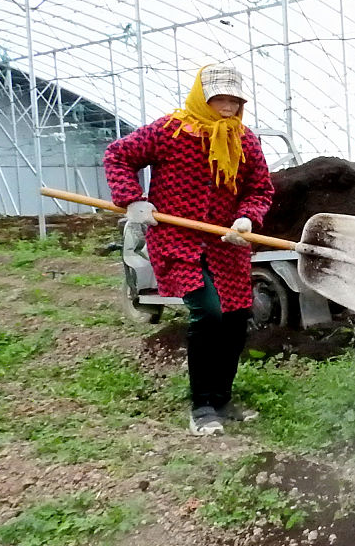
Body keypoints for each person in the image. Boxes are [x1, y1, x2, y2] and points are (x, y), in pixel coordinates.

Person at [104, 63, 275, 436]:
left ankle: (224, 400)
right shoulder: (171, 131)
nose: (228, 106)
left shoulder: (243, 140)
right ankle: (201, 407)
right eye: (220, 99)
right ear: (203, 97)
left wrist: (246, 219)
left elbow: (260, 189)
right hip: (176, 239)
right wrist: (133, 200)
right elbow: (118, 155)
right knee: (209, 313)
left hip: (227, 244)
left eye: (235, 100)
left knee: (235, 318)